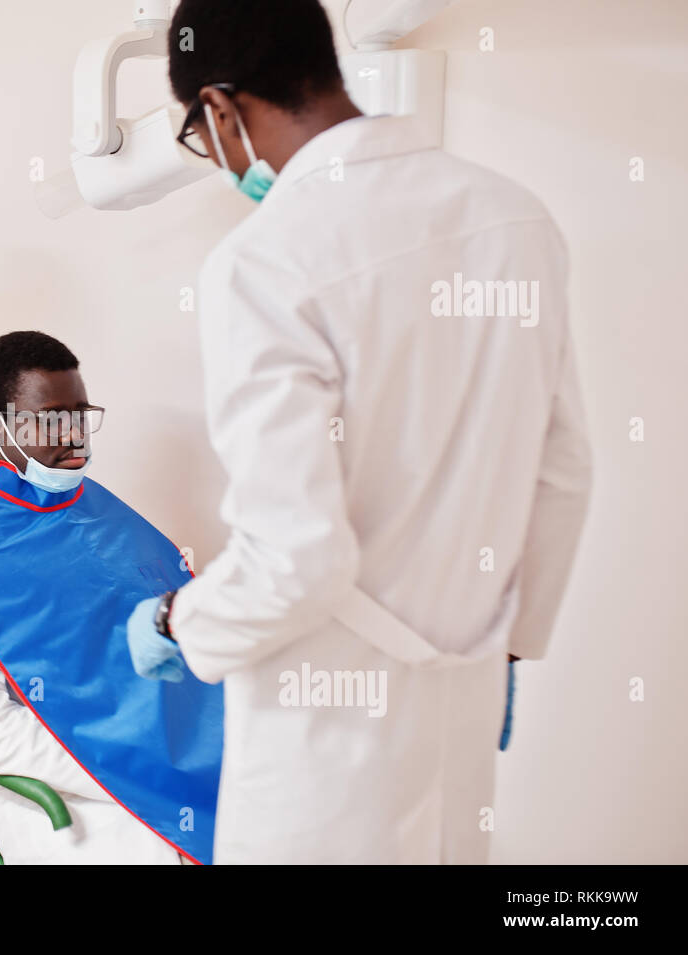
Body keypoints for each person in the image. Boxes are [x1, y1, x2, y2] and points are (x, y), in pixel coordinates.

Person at [126, 0, 592, 863]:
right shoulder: (515, 218)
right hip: (460, 704)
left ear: (222, 110)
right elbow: (563, 473)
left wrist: (180, 624)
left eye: (201, 134)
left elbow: (297, 557)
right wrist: (511, 646)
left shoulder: (264, 260)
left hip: (323, 753)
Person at [0, 331, 224, 865]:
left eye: (81, 416)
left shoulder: (101, 511)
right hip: (68, 776)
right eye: (51, 420)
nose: (76, 439)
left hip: (172, 737)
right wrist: (127, 757)